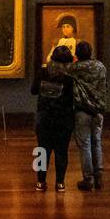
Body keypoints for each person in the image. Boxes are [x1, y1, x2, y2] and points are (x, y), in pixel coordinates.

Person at [31, 45, 76, 192]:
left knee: (42, 151)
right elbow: (72, 99)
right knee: (61, 152)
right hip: (63, 120)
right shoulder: (69, 78)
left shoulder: (43, 72)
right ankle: (60, 183)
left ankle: (40, 182)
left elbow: (33, 90)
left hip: (44, 118)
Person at [70, 40, 107, 191]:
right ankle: (99, 177)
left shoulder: (75, 68)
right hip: (98, 110)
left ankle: (88, 179)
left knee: (85, 144)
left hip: (82, 109)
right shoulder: (100, 66)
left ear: (77, 53)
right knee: (96, 141)